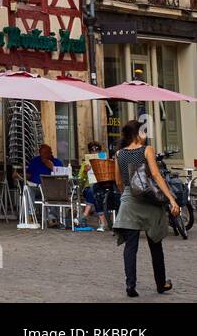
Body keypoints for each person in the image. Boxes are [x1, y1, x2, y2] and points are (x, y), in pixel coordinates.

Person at [114, 119, 178, 297]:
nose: (145, 135)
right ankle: (161, 284)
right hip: (149, 200)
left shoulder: (119, 154)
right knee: (155, 243)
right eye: (143, 132)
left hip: (129, 200)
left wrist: (127, 195)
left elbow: (118, 181)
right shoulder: (147, 150)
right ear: (137, 134)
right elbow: (156, 175)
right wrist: (171, 199)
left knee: (130, 247)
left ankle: (130, 286)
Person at [76, 140, 116, 232]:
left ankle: (85, 215)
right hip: (89, 187)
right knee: (93, 192)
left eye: (96, 150)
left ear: (99, 151)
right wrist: (85, 171)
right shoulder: (85, 163)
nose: (94, 152)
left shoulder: (104, 160)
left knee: (95, 193)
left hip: (102, 187)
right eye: (92, 150)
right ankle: (102, 222)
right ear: (89, 152)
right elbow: (80, 178)